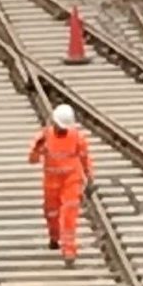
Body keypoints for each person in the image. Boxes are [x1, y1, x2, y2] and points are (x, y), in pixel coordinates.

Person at [26, 102, 92, 265]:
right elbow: (32, 160)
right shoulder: (45, 137)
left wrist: (89, 176)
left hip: (71, 181)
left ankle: (69, 251)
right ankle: (54, 238)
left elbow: (85, 158)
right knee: (51, 213)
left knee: (69, 215)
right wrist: (37, 149)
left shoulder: (77, 137)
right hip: (51, 183)